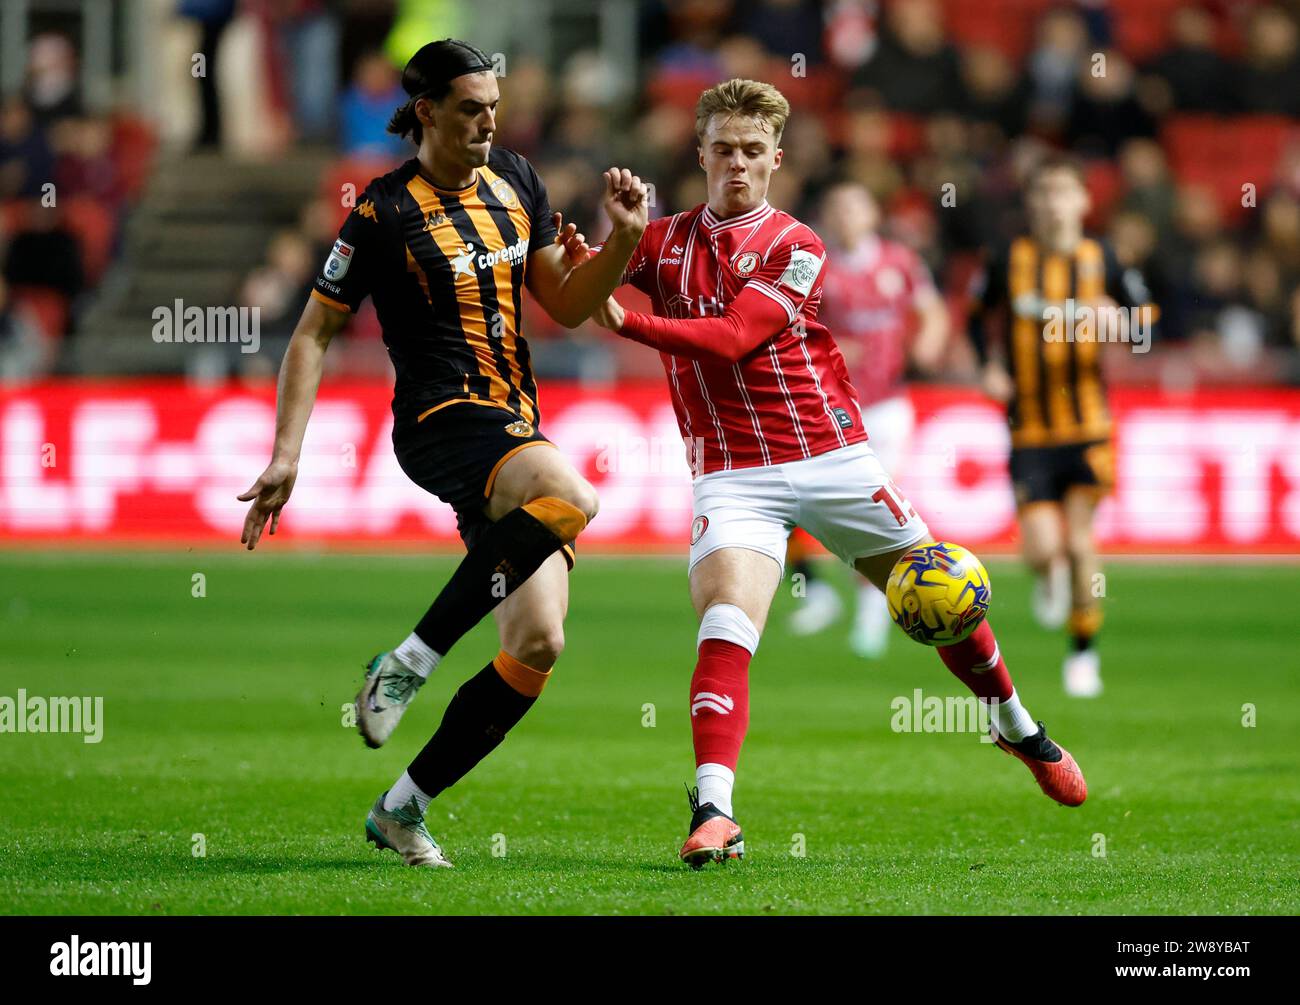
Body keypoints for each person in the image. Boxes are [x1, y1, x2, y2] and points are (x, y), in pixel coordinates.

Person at [589, 78, 1086, 868]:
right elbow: (570, 287)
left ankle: (1015, 723)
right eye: (723, 150)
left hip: (830, 454)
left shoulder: (798, 245)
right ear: (701, 155)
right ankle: (715, 808)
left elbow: (731, 336)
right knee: (725, 622)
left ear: (777, 159)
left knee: (944, 595)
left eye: (753, 151)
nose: (738, 165)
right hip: (730, 471)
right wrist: (613, 241)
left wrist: (630, 320)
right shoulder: (659, 242)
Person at [238, 39, 648, 868]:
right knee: (573, 494)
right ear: (426, 112)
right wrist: (286, 453)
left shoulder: (519, 182)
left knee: (538, 643)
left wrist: (621, 246)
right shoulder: (381, 213)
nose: (488, 121)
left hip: (512, 426)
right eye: (470, 108)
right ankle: (406, 664)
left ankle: (403, 806)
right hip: (439, 419)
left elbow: (566, 304)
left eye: (494, 105)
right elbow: (314, 332)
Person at [968, 153, 1154, 698]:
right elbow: (977, 315)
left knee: (1079, 542)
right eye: (1044, 192)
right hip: (1027, 426)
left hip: (1090, 425)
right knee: (1040, 551)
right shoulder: (1008, 257)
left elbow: (1148, 328)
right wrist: (990, 366)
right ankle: (1048, 579)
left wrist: (1122, 323)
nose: (1053, 202)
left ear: (1084, 200)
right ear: (1032, 202)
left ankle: (1083, 654)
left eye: (1064, 192)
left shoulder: (1106, 259)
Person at [786, 180, 948, 657]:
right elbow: (785, 323)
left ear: (872, 214)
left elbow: (932, 309)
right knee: (796, 498)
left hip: (888, 406)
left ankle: (873, 611)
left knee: (874, 508)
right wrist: (828, 343)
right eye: (836, 207)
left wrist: (929, 342)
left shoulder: (900, 262)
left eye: (853, 207)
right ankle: (814, 589)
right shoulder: (812, 262)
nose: (844, 217)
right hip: (829, 406)